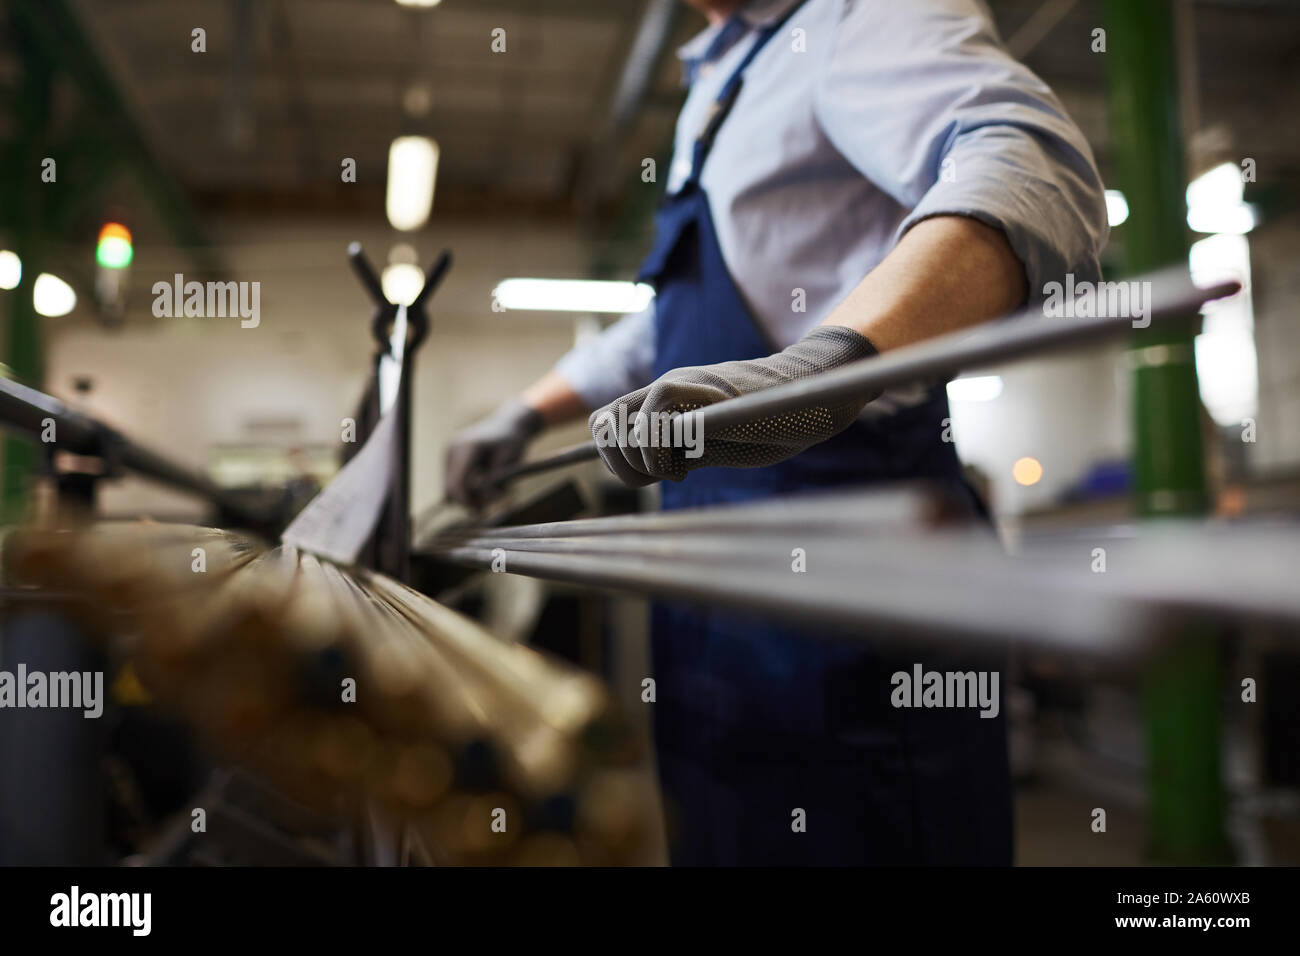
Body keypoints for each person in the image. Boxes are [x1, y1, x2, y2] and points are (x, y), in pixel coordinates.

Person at [445, 0, 1107, 865]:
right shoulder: (717, 86)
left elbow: (1030, 164)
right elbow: (664, 328)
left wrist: (824, 370)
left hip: (855, 577)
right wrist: (526, 413)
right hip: (715, 597)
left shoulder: (862, 17)